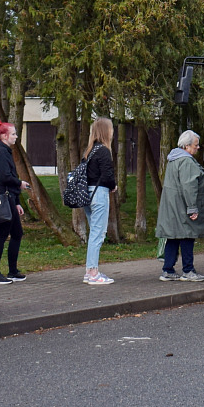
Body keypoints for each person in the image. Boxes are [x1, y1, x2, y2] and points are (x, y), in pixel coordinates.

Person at [157, 129, 204, 282]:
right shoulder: (186, 161)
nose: (198, 147)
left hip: (172, 206)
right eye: (195, 145)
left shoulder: (173, 159)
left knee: (173, 237)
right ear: (186, 146)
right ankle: (188, 270)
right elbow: (189, 186)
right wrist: (192, 207)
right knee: (188, 236)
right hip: (182, 206)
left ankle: (167, 270)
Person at [0, 119, 30, 285]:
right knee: (1, 235)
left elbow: (8, 178)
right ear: (4, 136)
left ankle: (13, 271)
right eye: (13, 134)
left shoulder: (5, 151)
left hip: (8, 197)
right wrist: (20, 183)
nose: (16, 137)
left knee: (17, 233)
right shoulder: (1, 152)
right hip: (2, 197)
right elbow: (5, 177)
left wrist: (17, 201)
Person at [82, 116, 117, 285]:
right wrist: (113, 185)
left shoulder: (89, 151)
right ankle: (93, 272)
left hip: (87, 193)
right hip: (99, 194)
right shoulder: (103, 151)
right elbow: (107, 174)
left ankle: (90, 271)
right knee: (98, 234)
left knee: (94, 233)